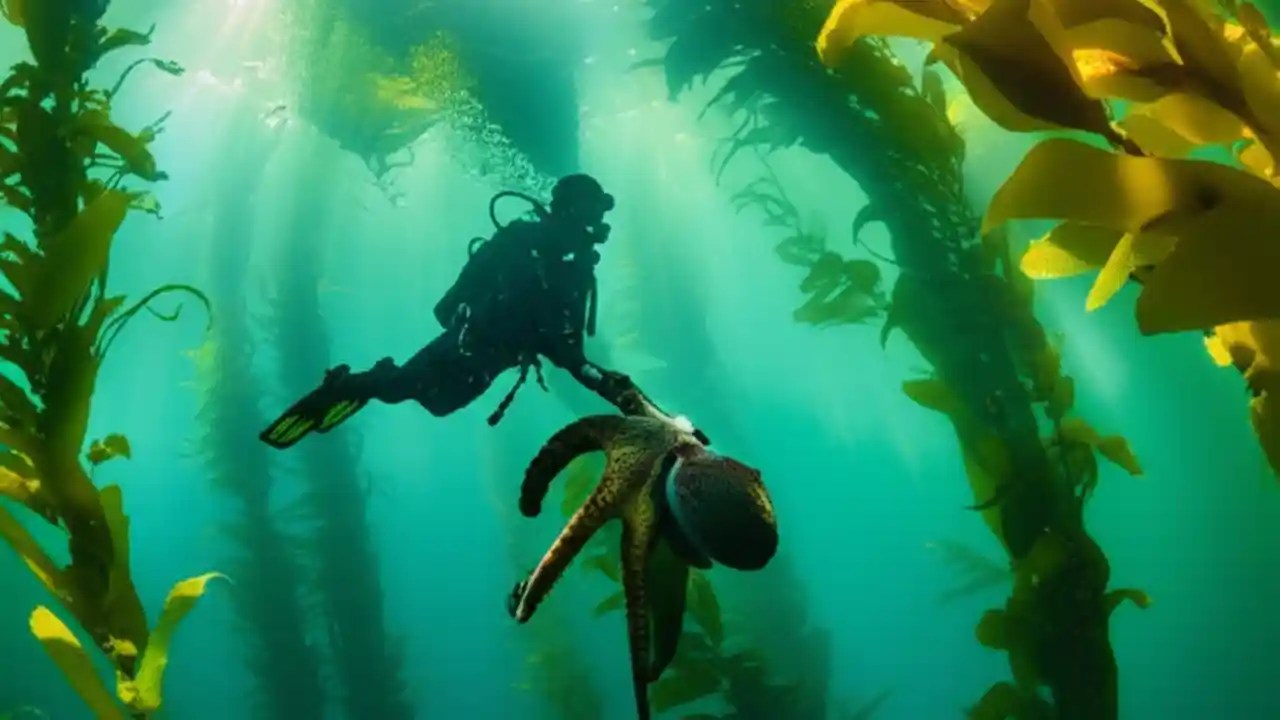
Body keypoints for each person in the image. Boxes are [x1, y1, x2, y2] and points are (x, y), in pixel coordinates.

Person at [259, 173, 708, 450]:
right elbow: (479, 303)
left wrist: (646, 411)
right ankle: (352, 382)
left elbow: (570, 353)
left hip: (495, 358)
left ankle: (378, 376)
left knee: (437, 404)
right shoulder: (523, 244)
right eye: (592, 213)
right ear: (570, 209)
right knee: (399, 389)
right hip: (465, 341)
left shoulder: (572, 273)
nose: (598, 227)